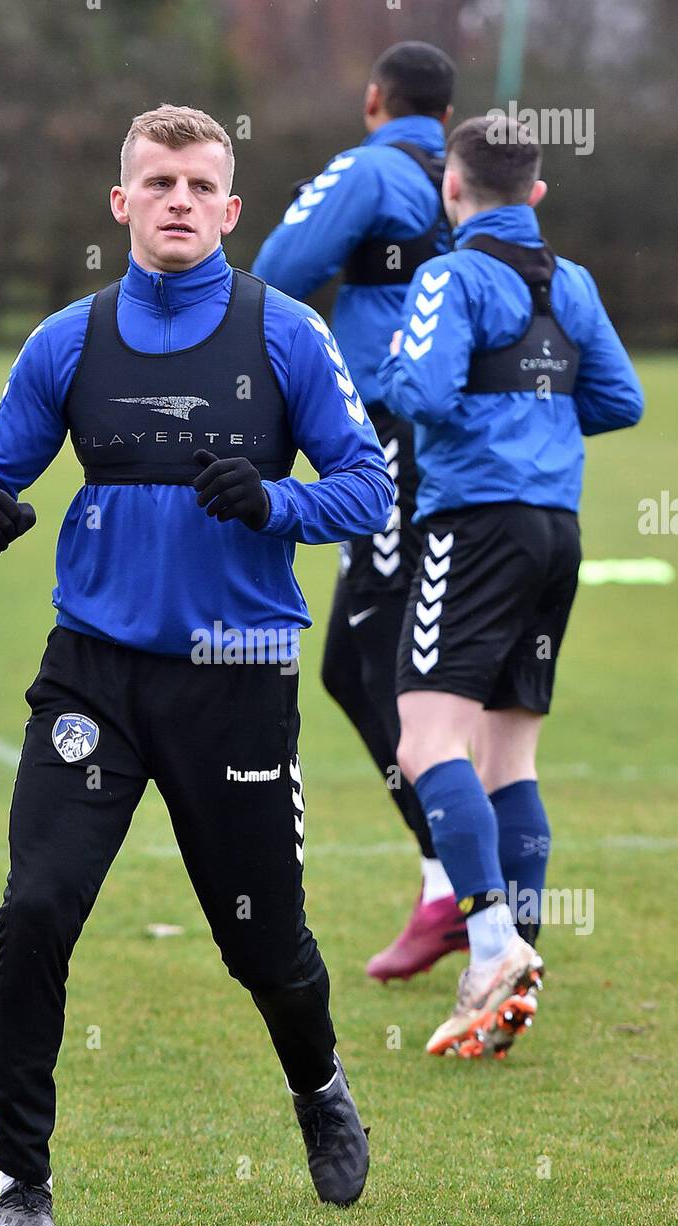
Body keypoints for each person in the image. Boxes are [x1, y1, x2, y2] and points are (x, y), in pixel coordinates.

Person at [0, 105, 395, 1226]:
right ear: (122, 203)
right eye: (158, 183)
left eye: (200, 184)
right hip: (92, 676)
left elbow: (367, 487)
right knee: (35, 906)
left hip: (235, 674)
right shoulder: (68, 340)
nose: (179, 201)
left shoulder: (286, 333)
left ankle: (319, 1091)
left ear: (231, 209)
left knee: (263, 944)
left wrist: (277, 500)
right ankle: (21, 1176)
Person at [379, 115, 644, 1057]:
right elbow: (620, 400)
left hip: (473, 526)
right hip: (556, 531)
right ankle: (514, 958)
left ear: (453, 191)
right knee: (508, 760)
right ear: (535, 194)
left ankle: (491, 945)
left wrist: (422, 382)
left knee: (424, 741)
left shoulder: (448, 276)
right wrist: (535, 414)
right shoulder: (570, 282)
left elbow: (422, 393)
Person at [253, 40, 469, 983]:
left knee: (360, 660)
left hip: (386, 434)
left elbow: (278, 266)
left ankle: (461, 886)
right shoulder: (470, 179)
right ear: (449, 118)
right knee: (438, 673)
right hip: (471, 454)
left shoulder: (370, 166)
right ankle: (476, 894)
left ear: (374, 98)